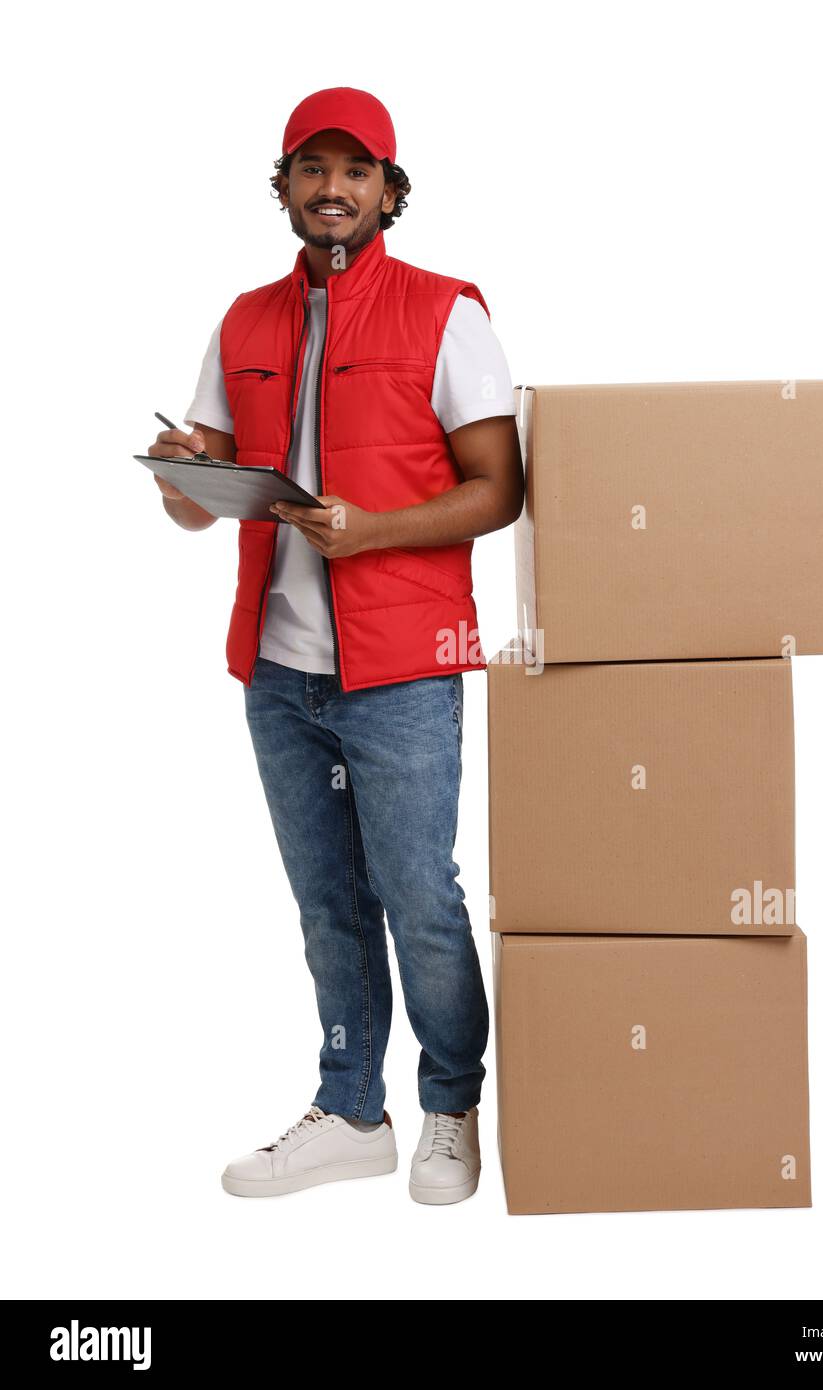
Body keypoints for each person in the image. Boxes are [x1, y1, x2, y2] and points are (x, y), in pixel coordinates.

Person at [146, 87, 524, 1205]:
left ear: (389, 193)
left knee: (419, 893)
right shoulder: (245, 322)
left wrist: (371, 532)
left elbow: (497, 490)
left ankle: (449, 1103)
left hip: (402, 661)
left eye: (354, 170)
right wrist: (185, 471)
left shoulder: (446, 313)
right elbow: (195, 508)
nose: (331, 188)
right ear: (284, 187)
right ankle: (354, 1106)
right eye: (311, 168)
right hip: (278, 668)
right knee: (326, 900)